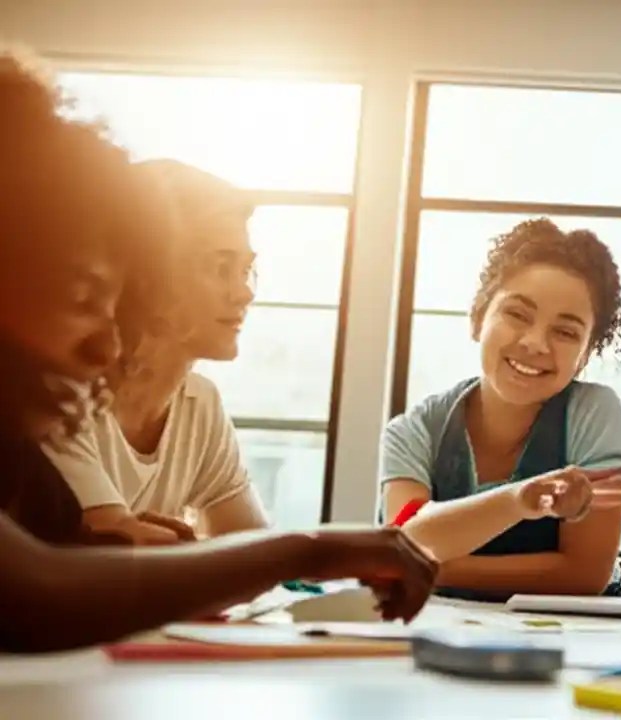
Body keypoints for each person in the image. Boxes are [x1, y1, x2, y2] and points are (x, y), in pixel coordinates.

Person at [0, 50, 436, 653]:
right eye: (82, 297)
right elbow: (38, 593)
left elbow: (79, 565)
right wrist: (313, 545)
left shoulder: (27, 468)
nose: (107, 348)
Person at [382, 218, 621, 598]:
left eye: (565, 332)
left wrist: (436, 565)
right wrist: (518, 501)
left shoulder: (595, 414)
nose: (535, 343)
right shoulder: (413, 432)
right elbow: (404, 548)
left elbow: (585, 575)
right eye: (517, 314)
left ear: (584, 357)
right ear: (478, 318)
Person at [47, 160, 269, 544]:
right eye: (219, 267)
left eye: (245, 269)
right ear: (148, 273)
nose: (244, 292)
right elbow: (119, 557)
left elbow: (260, 552)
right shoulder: (63, 398)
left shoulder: (200, 405)